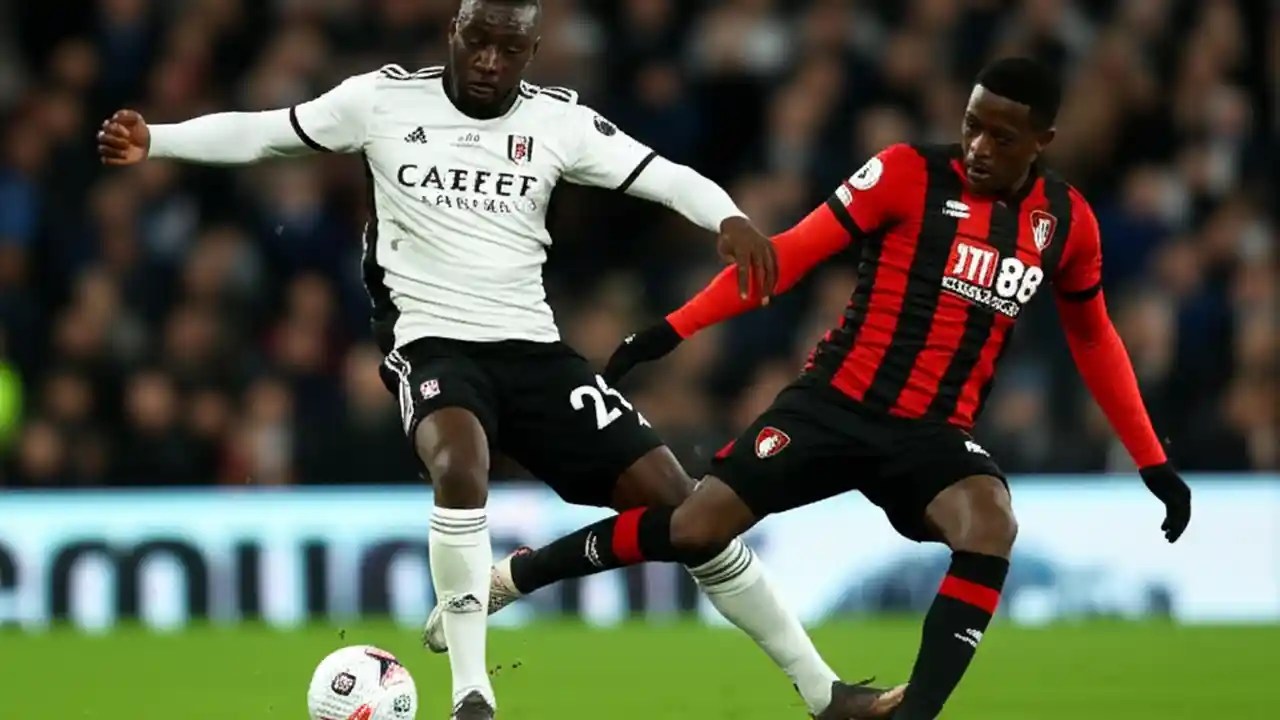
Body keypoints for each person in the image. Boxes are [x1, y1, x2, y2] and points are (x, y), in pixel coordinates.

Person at [97, 1, 906, 718]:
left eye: (508, 48)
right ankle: (473, 698)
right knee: (460, 465)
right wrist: (157, 140)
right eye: (477, 41)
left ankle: (823, 693)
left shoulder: (557, 121)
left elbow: (659, 174)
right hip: (432, 340)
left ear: (532, 49)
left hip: (535, 350)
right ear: (454, 33)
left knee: (691, 514)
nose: (489, 60)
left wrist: (728, 218)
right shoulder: (381, 100)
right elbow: (268, 132)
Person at [433, 57, 1194, 720]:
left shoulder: (1067, 223)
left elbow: (1094, 339)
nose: (978, 146)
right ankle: (520, 574)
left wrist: (1151, 461)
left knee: (991, 523)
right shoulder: (905, 172)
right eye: (972, 125)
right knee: (697, 527)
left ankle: (913, 714)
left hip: (932, 435)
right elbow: (787, 255)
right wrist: (671, 329)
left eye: (1001, 136)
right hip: (832, 405)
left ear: (1043, 143)